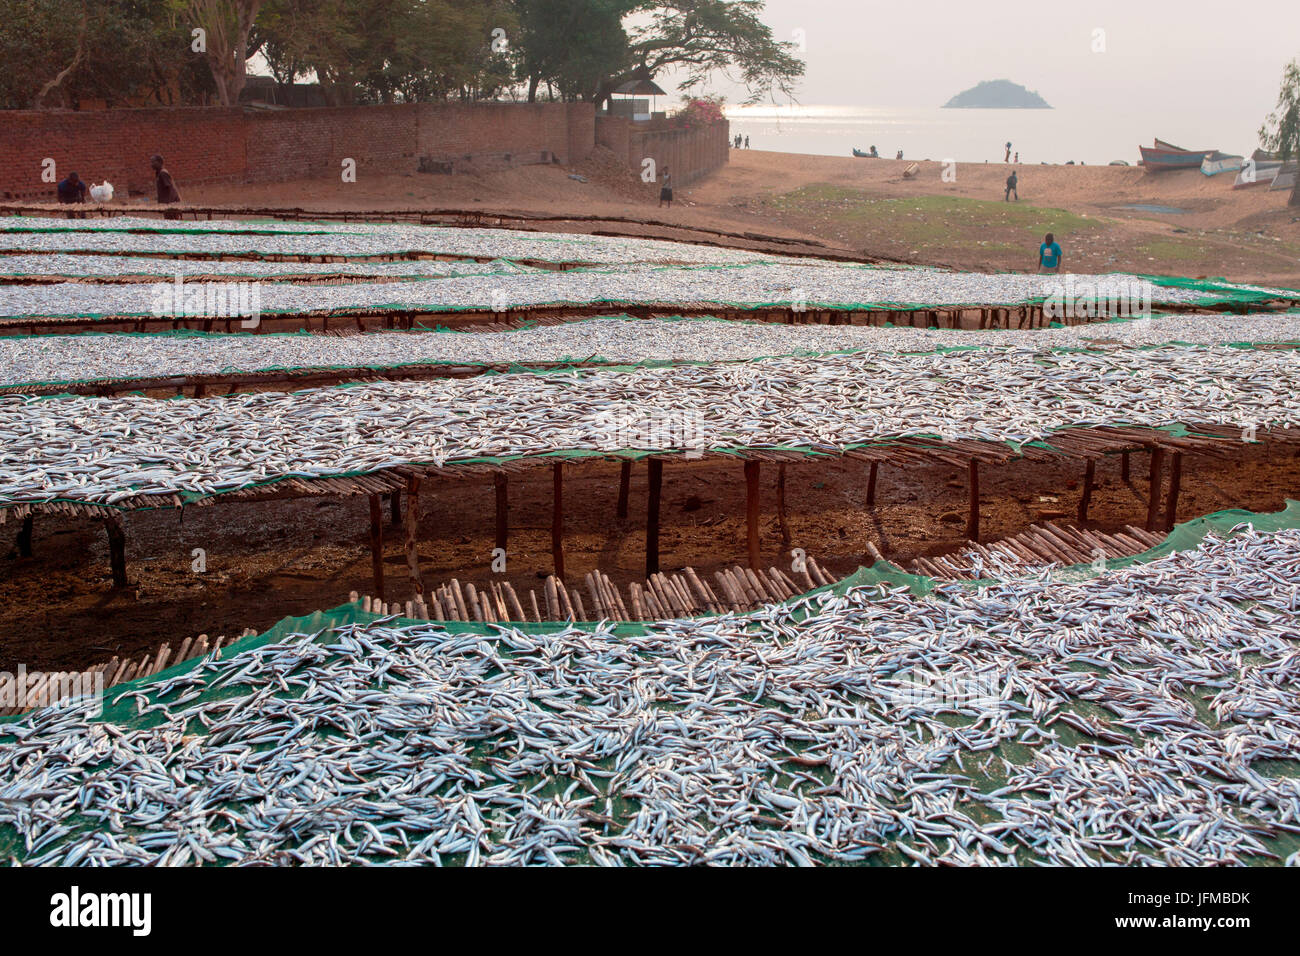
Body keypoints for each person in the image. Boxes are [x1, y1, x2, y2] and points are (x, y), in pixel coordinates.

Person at [150, 154, 181, 219]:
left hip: (170, 203)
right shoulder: (158, 173)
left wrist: (169, 205)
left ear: (159, 162)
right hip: (166, 203)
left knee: (172, 221)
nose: (151, 164)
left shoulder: (163, 173)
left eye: (153, 162)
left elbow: (170, 189)